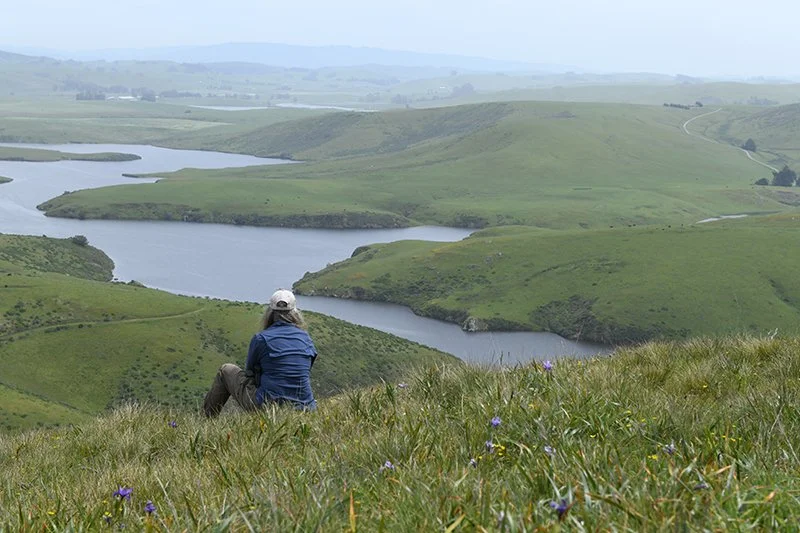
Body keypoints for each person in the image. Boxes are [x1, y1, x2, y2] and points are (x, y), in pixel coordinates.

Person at [203, 289, 318, 416]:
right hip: (306, 407)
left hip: (268, 407)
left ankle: (207, 419)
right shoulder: (306, 338)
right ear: (295, 313)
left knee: (225, 370)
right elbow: (306, 370)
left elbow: (250, 372)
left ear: (270, 313)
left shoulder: (261, 339)